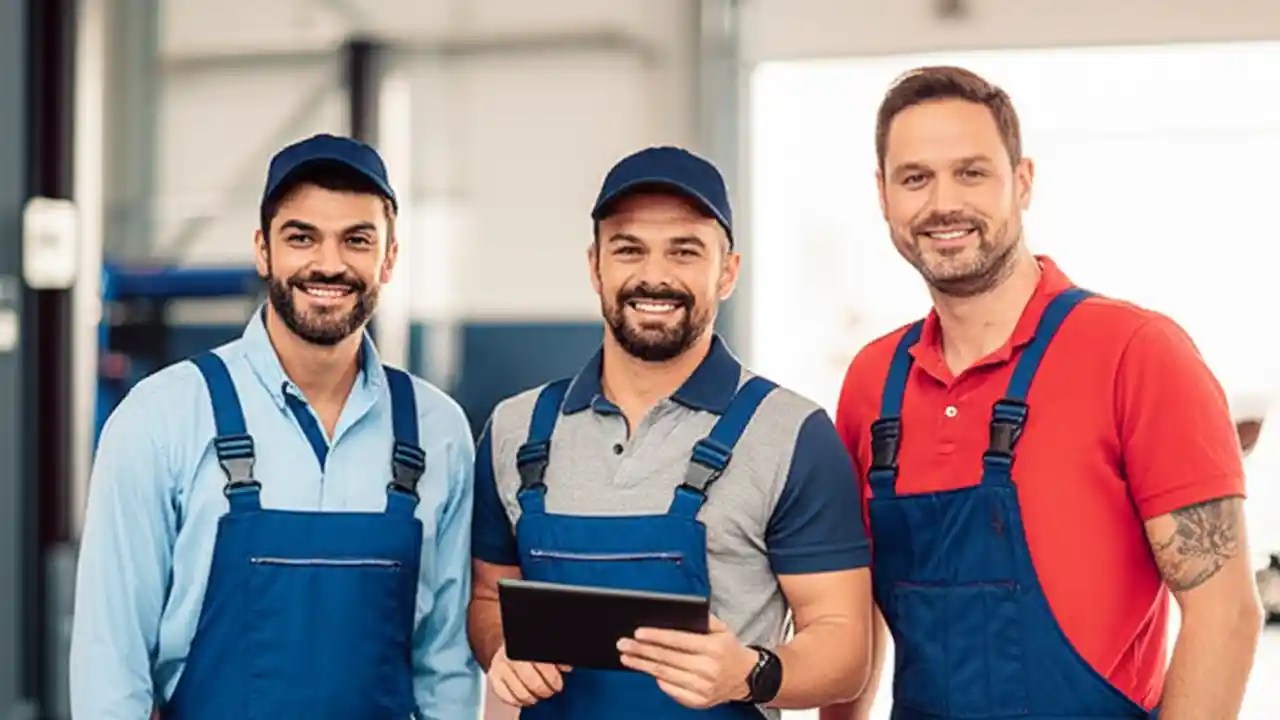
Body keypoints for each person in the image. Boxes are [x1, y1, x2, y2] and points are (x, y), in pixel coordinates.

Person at [820, 66, 1265, 720]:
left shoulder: (1134, 352)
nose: (944, 203)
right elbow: (856, 625)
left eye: (972, 172)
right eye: (916, 178)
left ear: (1021, 182)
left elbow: (1224, 611)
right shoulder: (873, 382)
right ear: (883, 196)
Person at [69, 134, 481, 719]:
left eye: (357, 240)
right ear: (263, 250)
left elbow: (447, 669)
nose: (329, 264)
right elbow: (110, 663)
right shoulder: (161, 417)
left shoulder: (437, 430)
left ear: (389, 259)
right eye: (301, 237)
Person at [466, 146, 874, 719]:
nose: (654, 276)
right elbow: (486, 599)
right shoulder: (515, 430)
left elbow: (844, 645)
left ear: (727, 271)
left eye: (685, 252)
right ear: (595, 266)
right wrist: (502, 648)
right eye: (629, 249)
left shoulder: (791, 433)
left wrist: (749, 674)